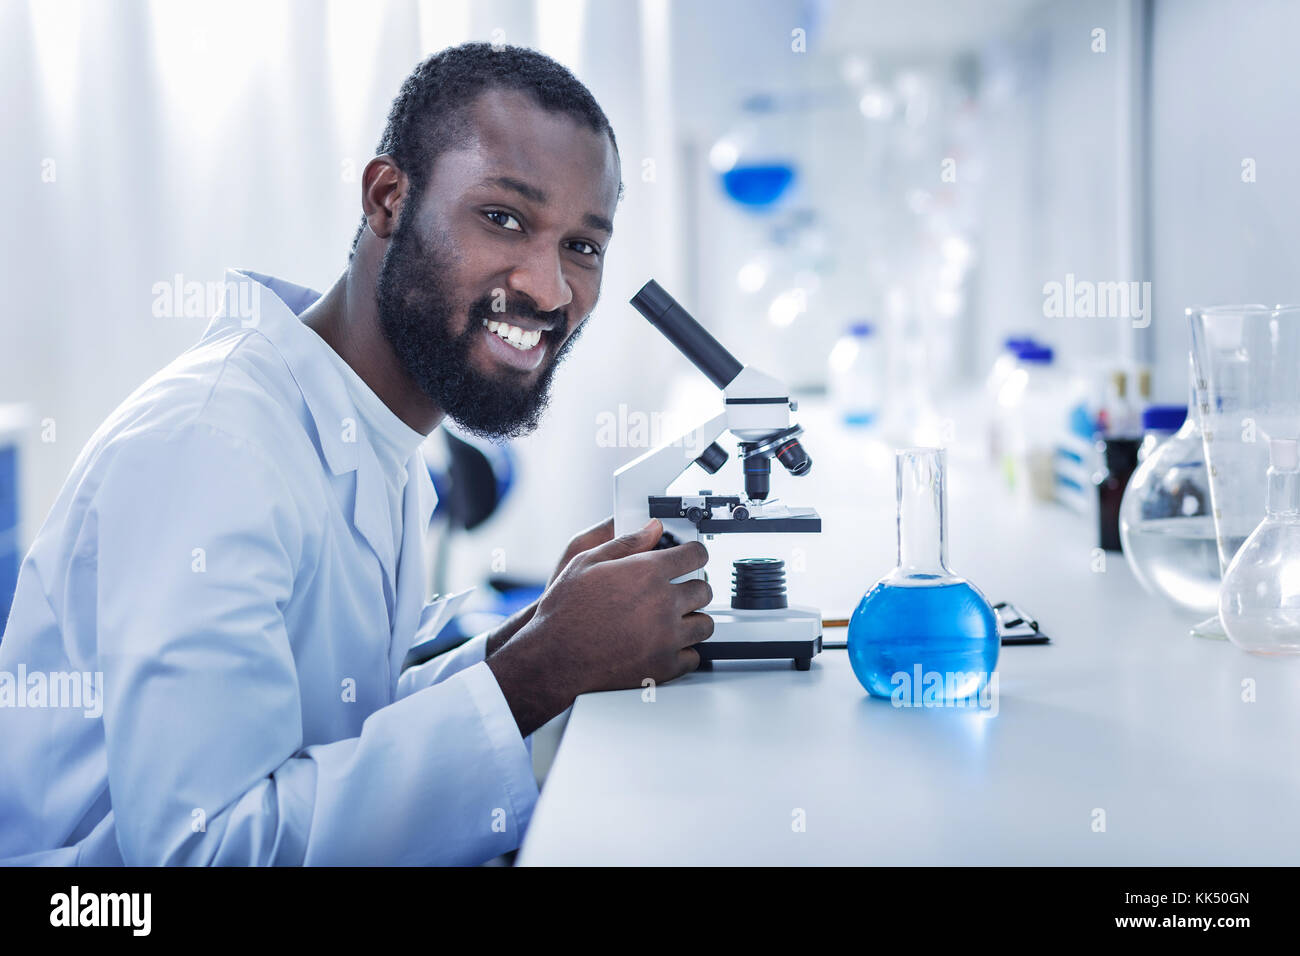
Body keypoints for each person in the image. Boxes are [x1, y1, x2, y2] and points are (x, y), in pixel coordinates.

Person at [0, 43, 712, 866]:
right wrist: (541, 672)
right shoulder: (212, 446)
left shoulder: (374, 435)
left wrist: (543, 630)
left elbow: (334, 732)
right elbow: (205, 852)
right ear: (386, 198)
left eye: (583, 246)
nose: (551, 290)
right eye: (505, 218)